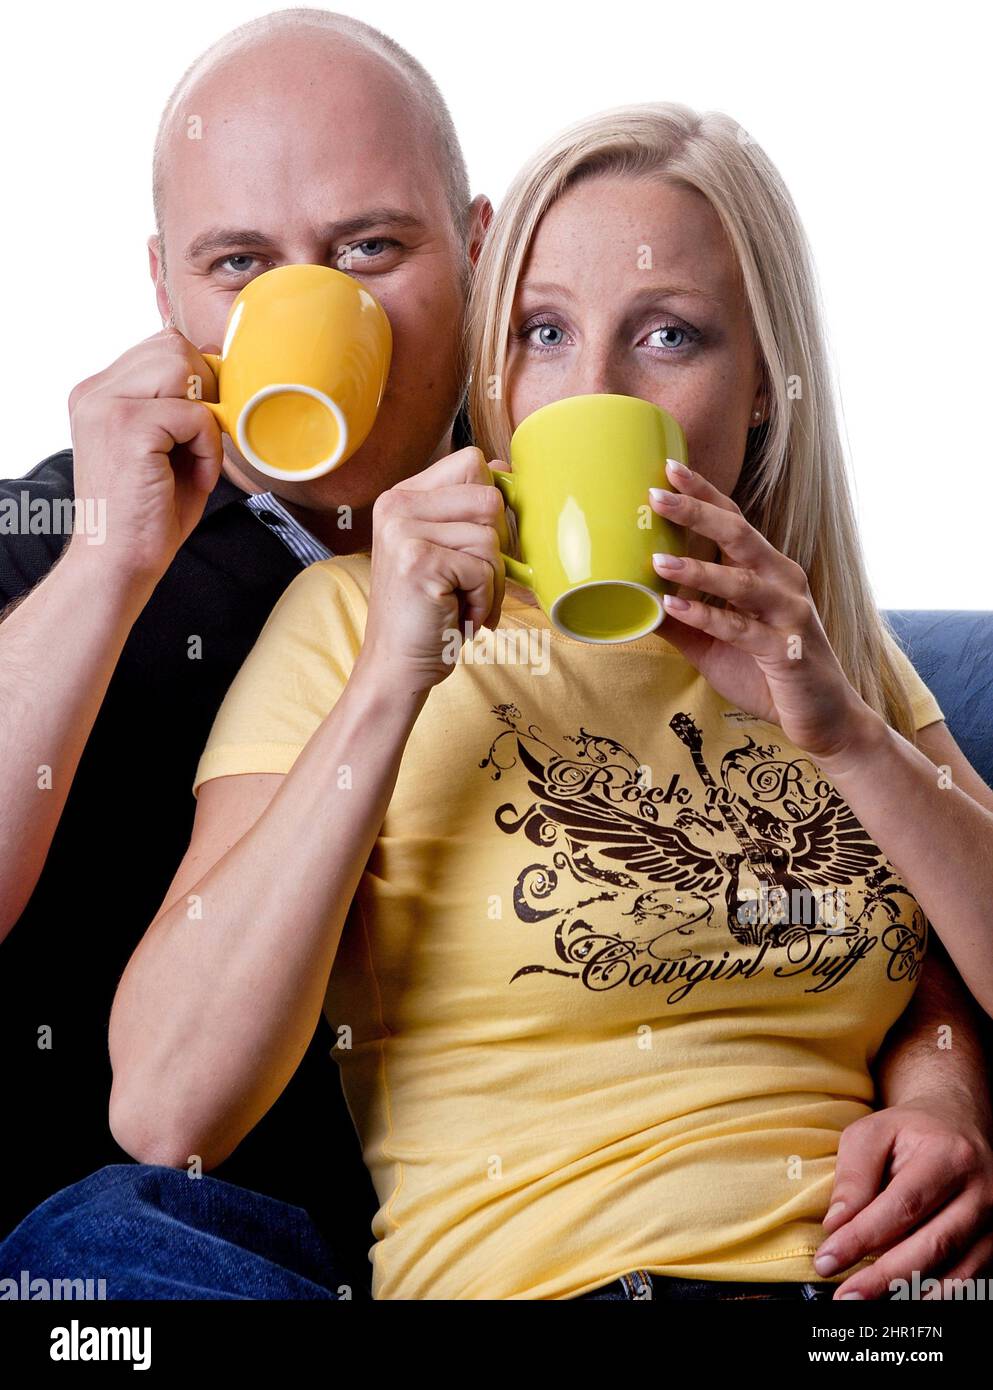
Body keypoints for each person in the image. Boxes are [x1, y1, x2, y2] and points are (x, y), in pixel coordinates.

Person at [98, 103, 993, 1301]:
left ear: (768, 387)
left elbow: (943, 973)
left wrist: (846, 734)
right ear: (492, 366)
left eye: (669, 334)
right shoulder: (355, 624)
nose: (590, 392)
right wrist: (392, 685)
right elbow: (168, 1106)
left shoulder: (826, 650)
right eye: (544, 332)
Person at [0, 8, 487, 1288]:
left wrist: (943, 1077)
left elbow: (819, 807)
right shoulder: (54, 538)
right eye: (239, 268)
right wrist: (107, 566)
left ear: (479, 250)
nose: (307, 304)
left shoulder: (585, 509)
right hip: (144, 1252)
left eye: (370, 247)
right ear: (163, 290)